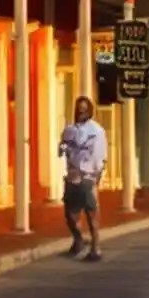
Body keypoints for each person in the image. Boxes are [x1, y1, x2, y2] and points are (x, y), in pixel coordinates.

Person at [59, 96, 107, 262]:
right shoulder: (70, 130)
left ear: (90, 110)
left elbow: (101, 156)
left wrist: (96, 176)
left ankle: (96, 247)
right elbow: (63, 148)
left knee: (91, 214)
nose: (82, 111)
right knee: (70, 214)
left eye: (85, 109)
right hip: (72, 176)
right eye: (79, 108)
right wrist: (63, 148)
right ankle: (78, 240)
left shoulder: (97, 131)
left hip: (88, 176)